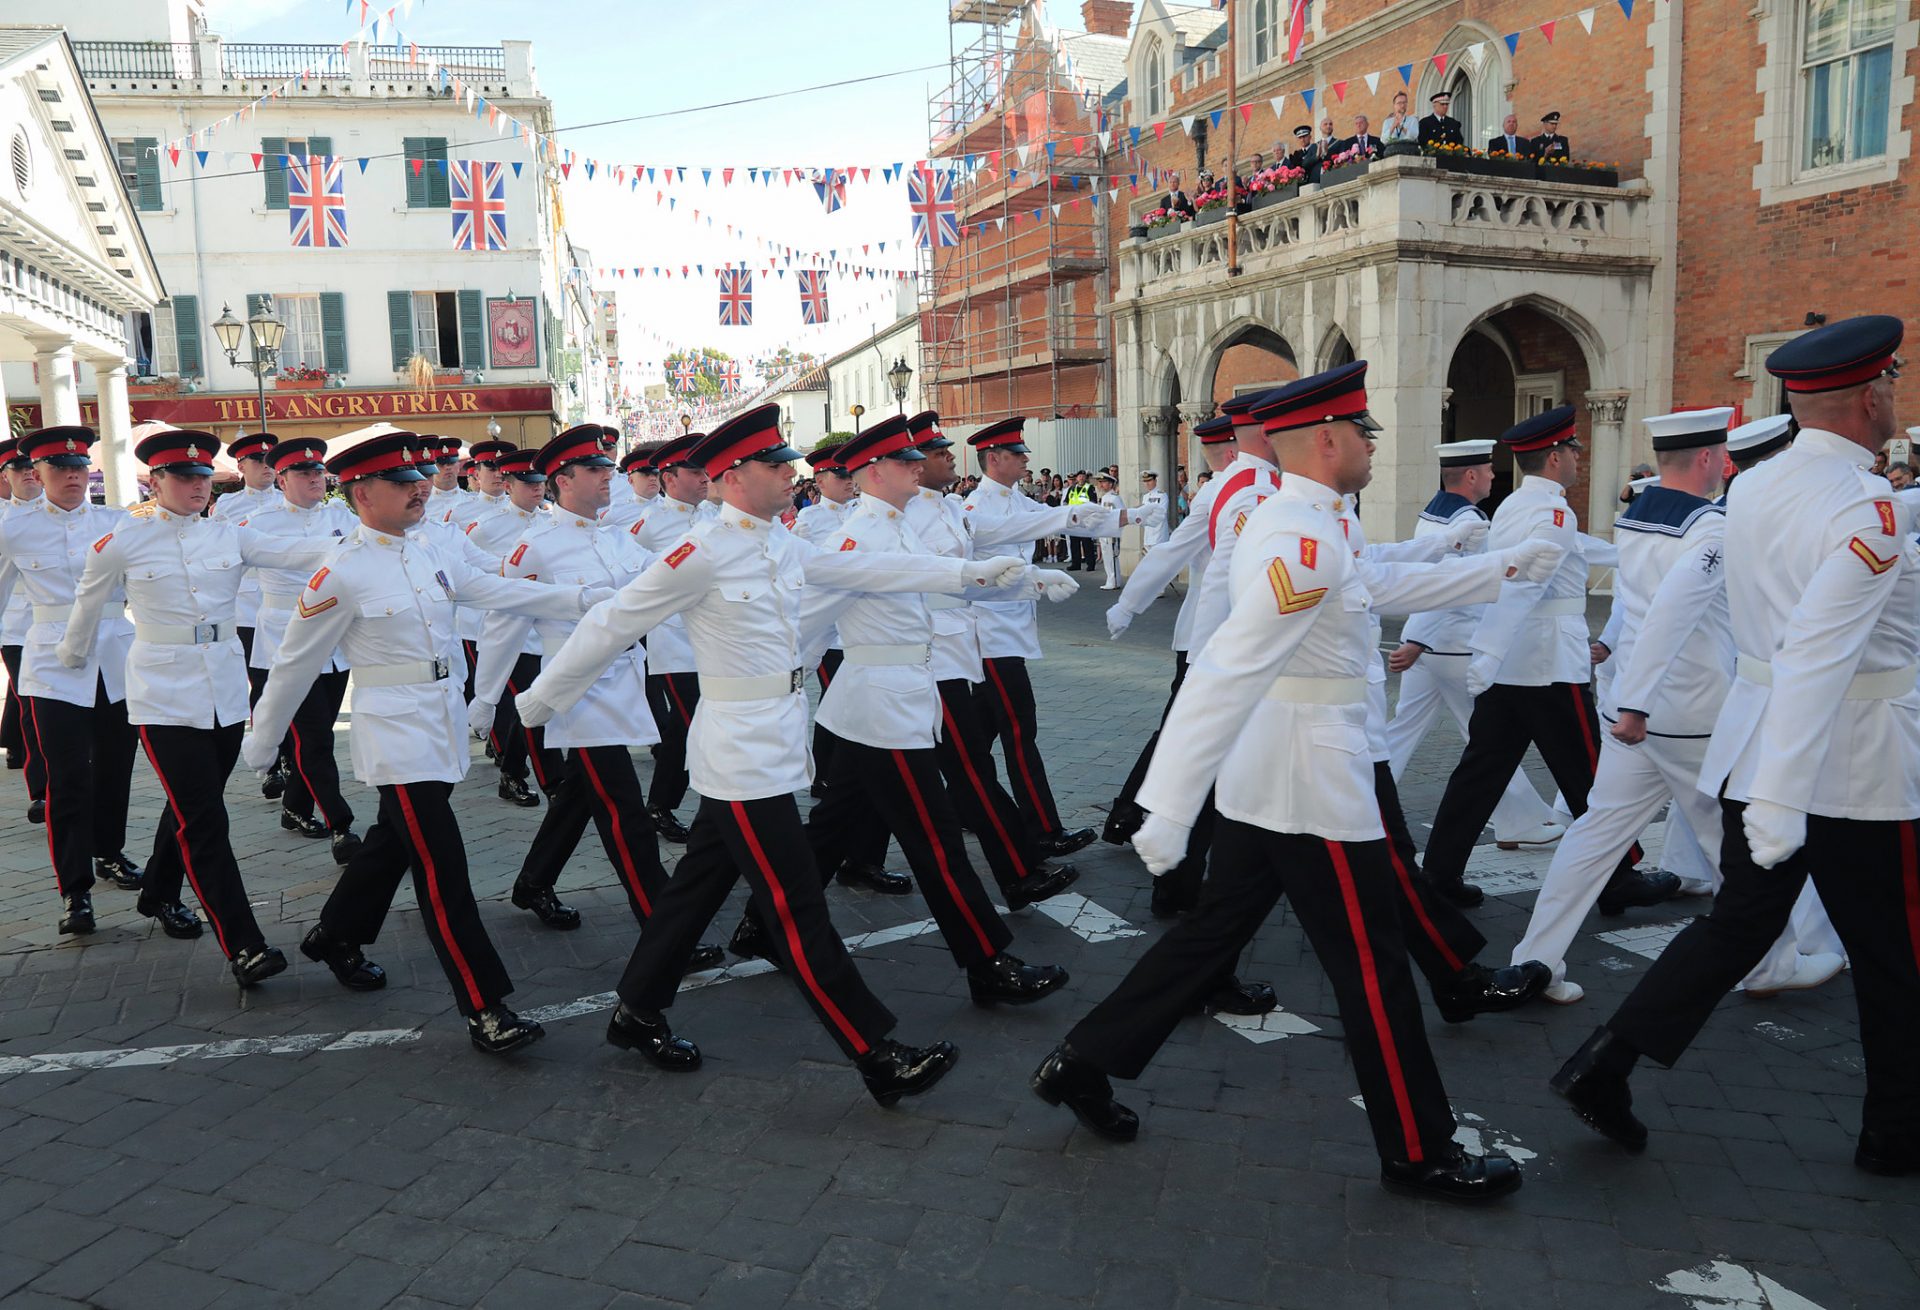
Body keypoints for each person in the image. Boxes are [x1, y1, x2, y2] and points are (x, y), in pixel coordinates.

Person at [1032, 362, 1553, 1201]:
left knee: (1210, 938)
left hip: (1279, 771)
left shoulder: (1317, 520)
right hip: (1310, 775)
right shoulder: (1296, 536)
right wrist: (1164, 804)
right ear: (1327, 440)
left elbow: (1377, 582)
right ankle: (1418, 1150)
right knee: (1371, 966)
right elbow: (1228, 667)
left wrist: (1501, 570)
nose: (1376, 447)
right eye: (1366, 434)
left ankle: (1082, 1063)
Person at [515, 404, 1031, 1100]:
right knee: (794, 903)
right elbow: (612, 620)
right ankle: (875, 1051)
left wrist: (973, 574)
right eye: (775, 464)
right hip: (738, 749)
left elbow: (873, 571)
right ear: (732, 478)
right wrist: (536, 706)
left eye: (789, 462)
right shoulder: (699, 553)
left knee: (696, 887)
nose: (793, 473)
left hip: (775, 739)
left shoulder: (783, 543)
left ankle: (637, 1009)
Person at [1551, 315, 1920, 1177]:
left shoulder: (1759, 487)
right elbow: (1820, 655)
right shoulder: (1861, 506)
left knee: (1732, 927)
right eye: (1893, 386)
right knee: (1894, 954)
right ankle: (1895, 1135)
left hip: (1757, 746)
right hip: (1849, 763)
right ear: (1871, 397)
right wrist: (1789, 804)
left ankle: (1606, 1060)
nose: (1895, 397)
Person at [243, 431, 609, 1053]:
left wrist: (576, 597)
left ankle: (335, 933)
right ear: (362, 494)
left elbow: (489, 589)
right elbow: (292, 665)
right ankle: (484, 1004)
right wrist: (263, 741)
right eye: (403, 483)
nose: (420, 490)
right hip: (396, 734)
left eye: (419, 480)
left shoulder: (426, 548)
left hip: (439, 721)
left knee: (393, 841)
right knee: (443, 867)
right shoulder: (339, 574)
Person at [1514, 408, 1840, 1004]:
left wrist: (1625, 686)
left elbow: (1636, 603)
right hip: (1687, 711)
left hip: (1631, 710)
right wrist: (1639, 700)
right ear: (1713, 459)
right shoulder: (1709, 527)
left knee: (1594, 835)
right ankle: (1770, 965)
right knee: (1735, 844)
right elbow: (1674, 608)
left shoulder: (1637, 514)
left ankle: (1535, 957)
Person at [797, 417, 1076, 1006]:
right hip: (880, 706)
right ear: (874, 473)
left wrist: (1029, 582)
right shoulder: (855, 537)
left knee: (830, 827)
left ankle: (764, 923)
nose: (918, 466)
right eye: (904, 462)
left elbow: (943, 585)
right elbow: (809, 622)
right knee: (936, 839)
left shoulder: (898, 527)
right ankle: (986, 961)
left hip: (895, 699)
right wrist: (779, 686)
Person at [60, 431, 335, 979]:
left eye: (203, 477)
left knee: (193, 805)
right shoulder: (123, 540)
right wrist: (70, 664)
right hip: (163, 694)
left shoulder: (229, 535)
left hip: (226, 690)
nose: (196, 487)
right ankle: (244, 943)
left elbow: (298, 554)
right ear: (155, 482)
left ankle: (159, 892)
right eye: (184, 478)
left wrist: (377, 540)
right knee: (207, 818)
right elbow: (88, 606)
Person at [468, 428, 720, 965]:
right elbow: (503, 624)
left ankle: (534, 881)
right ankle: (664, 929)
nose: (610, 477)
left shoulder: (617, 537)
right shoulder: (534, 546)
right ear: (563, 480)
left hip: (624, 683)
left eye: (608, 468)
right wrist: (486, 698)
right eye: (596, 470)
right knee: (624, 812)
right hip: (578, 694)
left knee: (583, 794)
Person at [1415, 407, 1680, 913]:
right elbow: (1522, 586)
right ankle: (1618, 876)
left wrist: (1633, 552)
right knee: (1591, 776)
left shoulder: (1521, 504)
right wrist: (1486, 653)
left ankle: (1440, 874)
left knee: (1480, 774)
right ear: (1556, 457)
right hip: (1550, 666)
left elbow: (1570, 550)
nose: (1580, 458)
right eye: (1575, 450)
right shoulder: (1554, 512)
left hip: (1516, 669)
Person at [899, 410, 1082, 913]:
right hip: (927, 661)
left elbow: (980, 568)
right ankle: (1019, 869)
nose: (950, 458)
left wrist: (1036, 580)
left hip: (956, 654)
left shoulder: (948, 506)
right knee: (968, 768)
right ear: (909, 465)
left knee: (939, 772)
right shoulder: (904, 517)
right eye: (938, 453)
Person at [1385, 441, 1568, 849]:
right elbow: (1447, 586)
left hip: (1429, 646)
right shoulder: (1469, 522)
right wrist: (1418, 639)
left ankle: (1367, 800)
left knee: (1402, 732)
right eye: (1486, 469)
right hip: (1452, 646)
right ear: (1470, 476)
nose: (1491, 475)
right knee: (1488, 740)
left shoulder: (1435, 512)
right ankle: (1519, 821)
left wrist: (1415, 639)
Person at [0, 426, 146, 934]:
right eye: (59, 469)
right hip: (52, 667)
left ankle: (110, 852)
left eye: (79, 468)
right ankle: (75, 890)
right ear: (36, 474)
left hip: (115, 659)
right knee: (67, 780)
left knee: (115, 768)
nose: (72, 477)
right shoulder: (13, 529)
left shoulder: (118, 522)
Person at [963, 419, 1126, 856]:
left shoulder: (1015, 498)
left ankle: (963, 804)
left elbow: (1070, 523)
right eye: (1017, 454)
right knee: (1020, 730)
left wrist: (1130, 517)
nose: (1026, 460)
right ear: (993, 459)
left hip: (1012, 630)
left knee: (976, 736)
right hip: (992, 636)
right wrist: (1064, 523)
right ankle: (1043, 829)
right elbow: (1019, 531)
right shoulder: (978, 507)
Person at [241, 438, 362, 865]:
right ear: (283, 478)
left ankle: (296, 806)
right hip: (284, 640)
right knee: (314, 737)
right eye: (305, 473)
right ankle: (341, 824)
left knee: (317, 734)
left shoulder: (341, 515)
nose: (316, 479)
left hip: (333, 642)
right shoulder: (260, 522)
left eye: (318, 472)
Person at [625, 431, 714, 844]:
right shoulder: (648, 524)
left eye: (703, 470)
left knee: (700, 726)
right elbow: (630, 576)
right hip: (674, 644)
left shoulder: (713, 517)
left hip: (714, 642)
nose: (703, 478)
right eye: (693, 471)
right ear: (669, 477)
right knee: (685, 728)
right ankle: (661, 806)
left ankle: (704, 808)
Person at [465, 447, 559, 807]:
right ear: (508, 484)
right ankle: (548, 780)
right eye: (528, 482)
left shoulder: (551, 520)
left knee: (534, 702)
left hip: (546, 627)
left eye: (540, 482)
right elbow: (465, 571)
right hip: (511, 627)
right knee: (528, 702)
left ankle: (512, 770)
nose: (537, 489)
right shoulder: (486, 528)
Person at [213, 432, 285, 795]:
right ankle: (269, 761)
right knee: (261, 683)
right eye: (258, 461)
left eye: (270, 460)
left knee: (289, 682)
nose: (267, 467)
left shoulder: (289, 500)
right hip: (247, 609)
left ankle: (289, 755)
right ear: (241, 467)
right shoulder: (227, 508)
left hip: (285, 607)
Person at [0, 438, 48, 822]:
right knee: (32, 709)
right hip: (17, 628)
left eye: (34, 467)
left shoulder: (63, 515)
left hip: (65, 627)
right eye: (19, 469)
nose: (29, 474)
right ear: (5, 477)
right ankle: (43, 790)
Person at [1094, 472, 1124, 590]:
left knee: (1112, 556)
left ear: (1111, 484)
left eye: (1104, 482)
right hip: (1104, 531)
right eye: (1101, 482)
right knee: (1107, 556)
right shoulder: (1104, 497)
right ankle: (1110, 579)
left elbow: (1122, 513)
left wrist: (1116, 529)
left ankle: (1114, 580)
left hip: (1112, 531)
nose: (1101, 485)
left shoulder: (1115, 498)